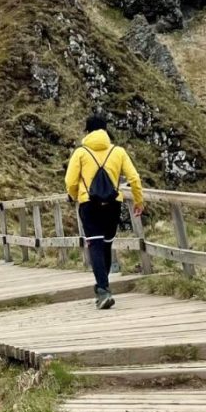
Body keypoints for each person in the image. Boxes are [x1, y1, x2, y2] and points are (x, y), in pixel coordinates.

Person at [64, 113, 144, 309]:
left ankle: (103, 289)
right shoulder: (118, 152)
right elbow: (134, 178)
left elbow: (70, 181)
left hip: (89, 204)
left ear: (88, 131)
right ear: (106, 130)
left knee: (95, 244)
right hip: (112, 204)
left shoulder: (81, 153)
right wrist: (138, 201)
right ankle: (103, 286)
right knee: (107, 244)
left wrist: (75, 196)